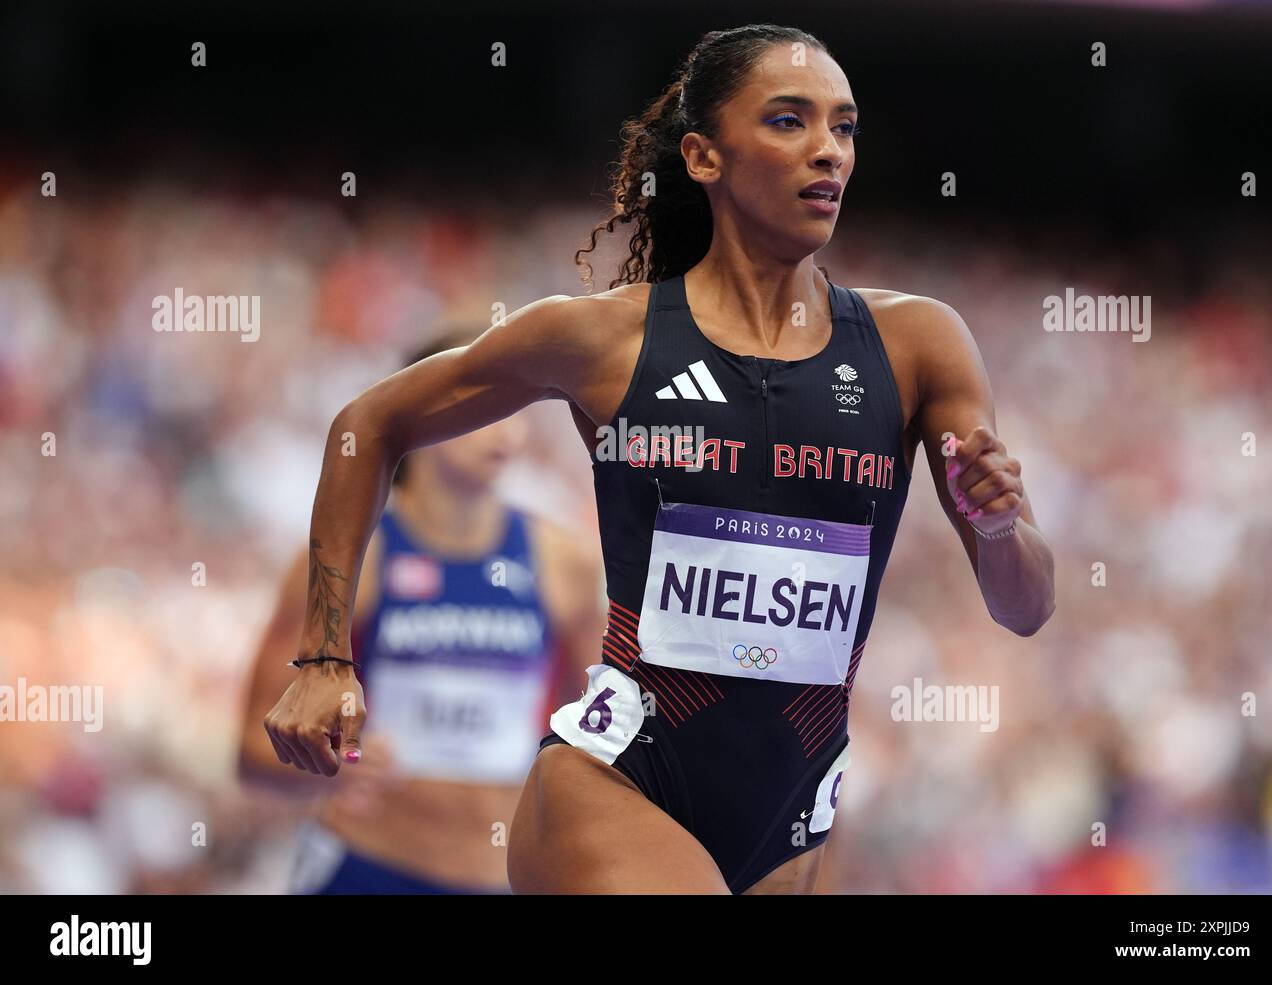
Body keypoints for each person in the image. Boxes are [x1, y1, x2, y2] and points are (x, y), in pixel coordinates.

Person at [261, 23, 1055, 895]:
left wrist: (1001, 525)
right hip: (618, 782)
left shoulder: (918, 345)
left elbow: (1023, 607)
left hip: (795, 816)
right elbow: (365, 424)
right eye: (790, 121)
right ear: (704, 158)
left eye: (845, 126)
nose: (828, 151)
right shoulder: (608, 338)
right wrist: (323, 658)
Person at [240, 331, 602, 893]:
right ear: (420, 411)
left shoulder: (564, 563)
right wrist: (329, 765)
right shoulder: (352, 557)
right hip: (365, 864)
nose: (507, 427)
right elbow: (251, 752)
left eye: (519, 407)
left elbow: (599, 746)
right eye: (489, 406)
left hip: (499, 877)